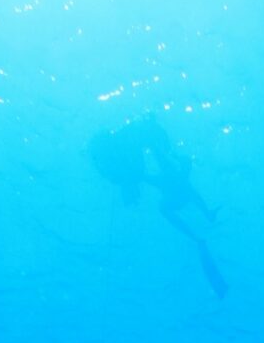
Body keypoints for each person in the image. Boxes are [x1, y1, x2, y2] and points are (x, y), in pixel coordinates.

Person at [88, 113, 228, 298]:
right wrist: (207, 213)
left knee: (167, 206)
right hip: (176, 190)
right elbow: (183, 178)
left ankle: (196, 238)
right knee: (174, 200)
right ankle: (196, 238)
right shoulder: (175, 176)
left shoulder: (166, 177)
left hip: (171, 192)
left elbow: (150, 173)